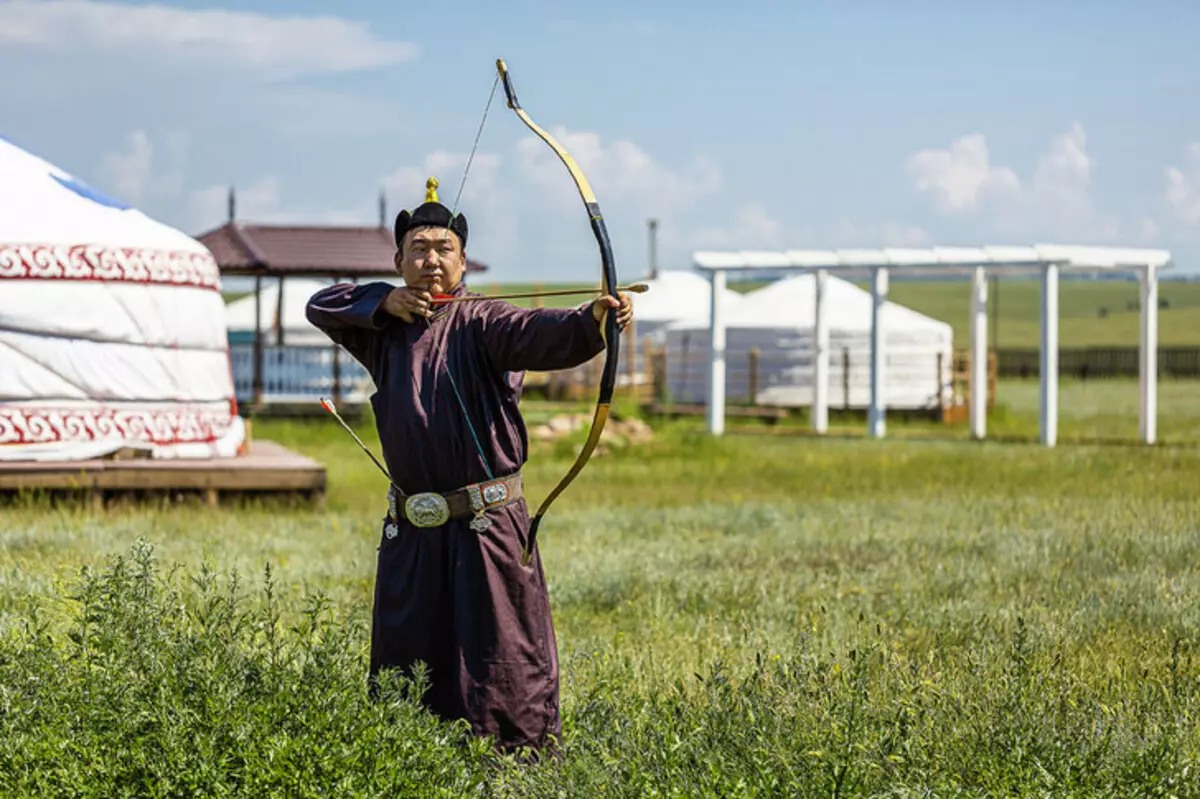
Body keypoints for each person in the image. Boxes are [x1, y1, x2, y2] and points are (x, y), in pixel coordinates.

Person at [305, 177, 633, 754]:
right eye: (419, 250)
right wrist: (383, 302)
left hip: (487, 525)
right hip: (413, 526)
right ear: (400, 261)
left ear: (463, 261)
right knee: (409, 650)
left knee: (502, 654)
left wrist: (593, 318)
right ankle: (410, 758)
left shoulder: (486, 320)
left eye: (444, 249)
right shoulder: (384, 331)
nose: (432, 260)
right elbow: (321, 304)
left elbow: (543, 334)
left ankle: (514, 764)